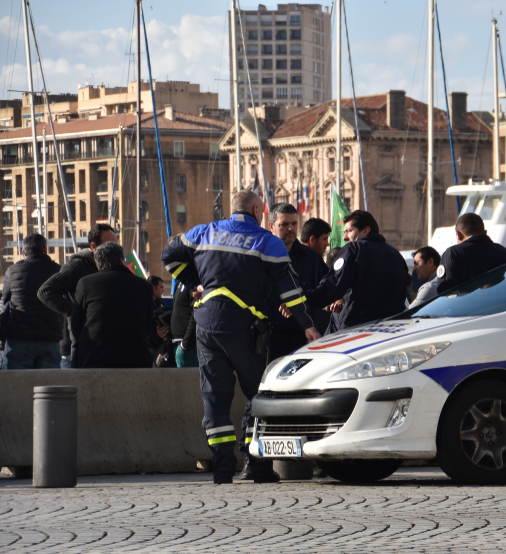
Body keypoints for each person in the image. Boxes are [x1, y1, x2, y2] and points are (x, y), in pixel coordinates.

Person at [161, 190, 320, 485]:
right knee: (258, 396)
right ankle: (257, 465)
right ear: (257, 210)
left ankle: (222, 471)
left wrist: (194, 282)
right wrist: (307, 325)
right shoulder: (266, 241)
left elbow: (168, 256)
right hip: (245, 327)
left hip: (207, 326)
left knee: (215, 398)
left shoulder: (204, 232)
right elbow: (290, 290)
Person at [300, 210, 408, 332]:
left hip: (356, 331)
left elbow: (331, 286)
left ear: (366, 230)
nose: (345, 237)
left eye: (348, 231)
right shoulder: (397, 255)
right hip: (392, 331)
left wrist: (301, 302)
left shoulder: (353, 249)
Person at [38, 223, 118, 367]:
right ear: (93, 247)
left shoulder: (116, 265)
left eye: (116, 244)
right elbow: (46, 291)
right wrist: (78, 312)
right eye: (109, 244)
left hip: (111, 340)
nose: (115, 248)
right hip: (84, 340)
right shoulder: (77, 265)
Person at [71, 242, 155, 369]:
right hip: (136, 359)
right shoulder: (144, 286)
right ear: (122, 260)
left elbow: (76, 324)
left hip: (93, 358)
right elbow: (148, 325)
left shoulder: (86, 283)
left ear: (98, 263)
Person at [268, 204, 330, 359]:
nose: (290, 228)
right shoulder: (262, 256)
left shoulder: (311, 257)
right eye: (284, 224)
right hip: (270, 337)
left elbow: (326, 287)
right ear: (271, 226)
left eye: (294, 224)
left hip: (304, 337)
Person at [0, 233, 62, 369]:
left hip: (19, 339)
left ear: (24, 252)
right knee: (49, 387)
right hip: (50, 338)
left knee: (15, 387)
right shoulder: (58, 271)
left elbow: (5, 302)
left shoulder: (13, 270)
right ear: (45, 248)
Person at [435, 213, 506, 294]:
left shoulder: (453, 254)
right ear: (485, 232)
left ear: (458, 234)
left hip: (470, 306)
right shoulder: (504, 252)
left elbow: (445, 295)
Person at [171, 282, 198, 368]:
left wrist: (186, 345)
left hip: (189, 348)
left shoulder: (195, 281)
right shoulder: (179, 282)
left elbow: (196, 313)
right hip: (176, 345)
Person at [147, 275, 173, 366]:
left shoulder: (162, 305)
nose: (163, 290)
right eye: (161, 287)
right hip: (150, 349)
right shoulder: (144, 306)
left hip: (161, 346)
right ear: (153, 288)